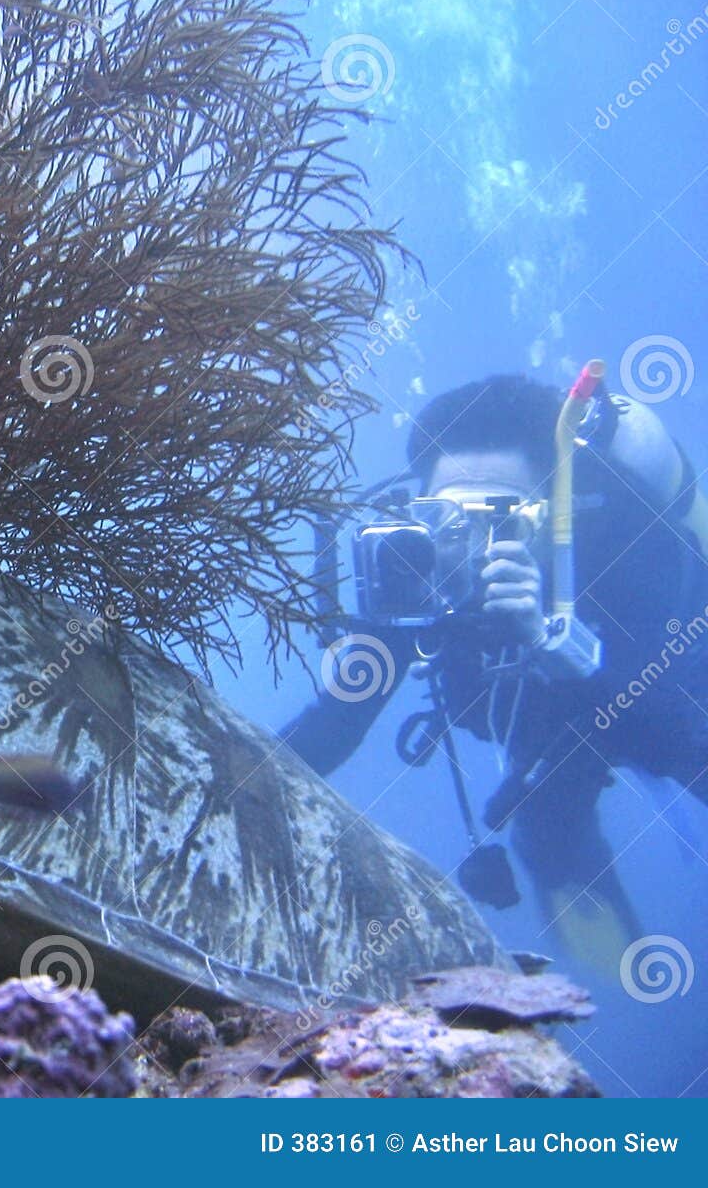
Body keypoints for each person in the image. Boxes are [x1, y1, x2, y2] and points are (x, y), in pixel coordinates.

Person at [284, 373, 708, 969]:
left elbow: (669, 742)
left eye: (500, 519)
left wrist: (552, 642)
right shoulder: (421, 567)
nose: (469, 545)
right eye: (446, 520)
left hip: (655, 686)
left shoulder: (625, 556)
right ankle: (617, 983)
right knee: (549, 842)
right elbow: (333, 725)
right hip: (545, 743)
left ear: (554, 514)